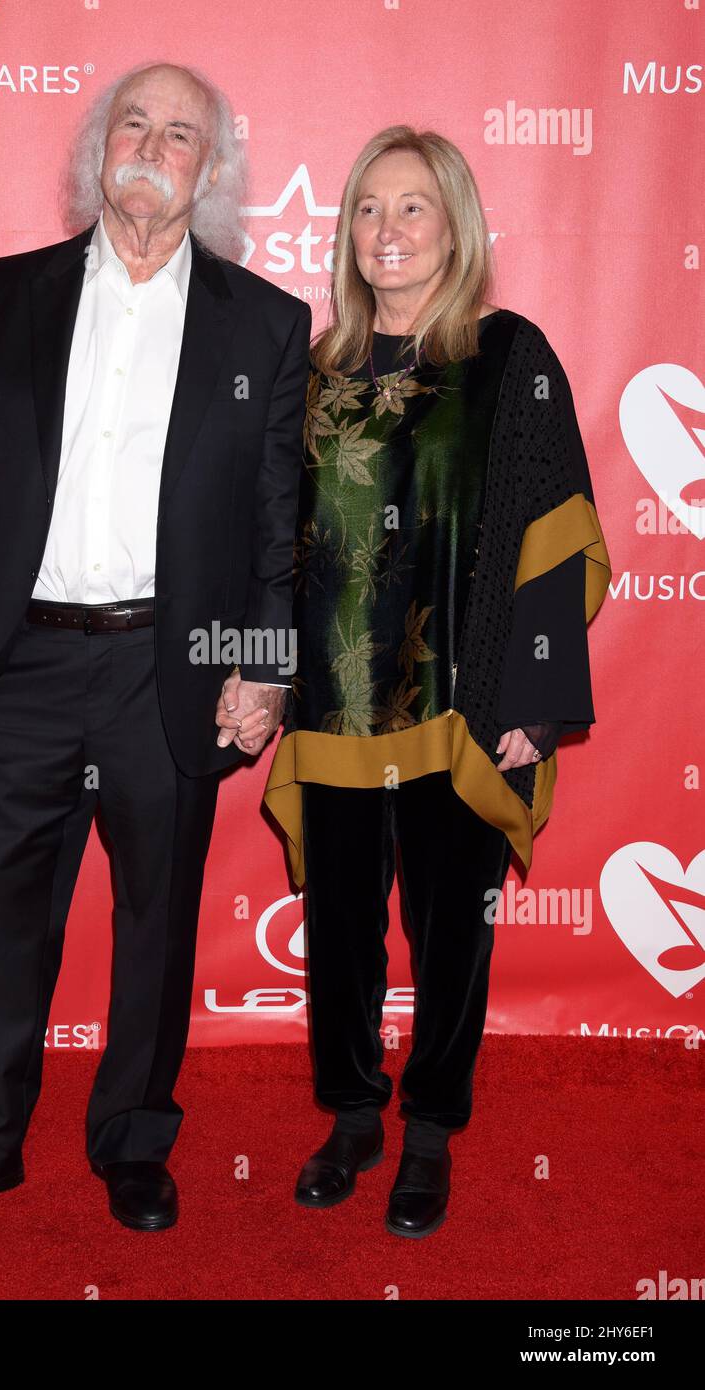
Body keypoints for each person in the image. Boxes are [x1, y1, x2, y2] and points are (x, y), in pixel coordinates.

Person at [0, 62, 310, 1236]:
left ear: (210, 172)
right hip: (15, 667)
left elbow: (278, 522)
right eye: (134, 123)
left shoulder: (265, 323)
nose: (152, 146)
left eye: (181, 134)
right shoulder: (3, 295)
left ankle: (132, 1143)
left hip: (173, 669)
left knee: (157, 927)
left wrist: (261, 666)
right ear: (97, 146)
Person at [262, 126, 611, 1238]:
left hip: (463, 704)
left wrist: (537, 700)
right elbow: (271, 546)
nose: (387, 232)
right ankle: (353, 1115)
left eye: (413, 208)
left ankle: (427, 1131)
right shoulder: (310, 375)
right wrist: (261, 673)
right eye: (368, 208)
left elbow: (552, 536)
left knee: (452, 927)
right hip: (332, 705)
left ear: (454, 224)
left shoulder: (510, 356)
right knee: (346, 924)